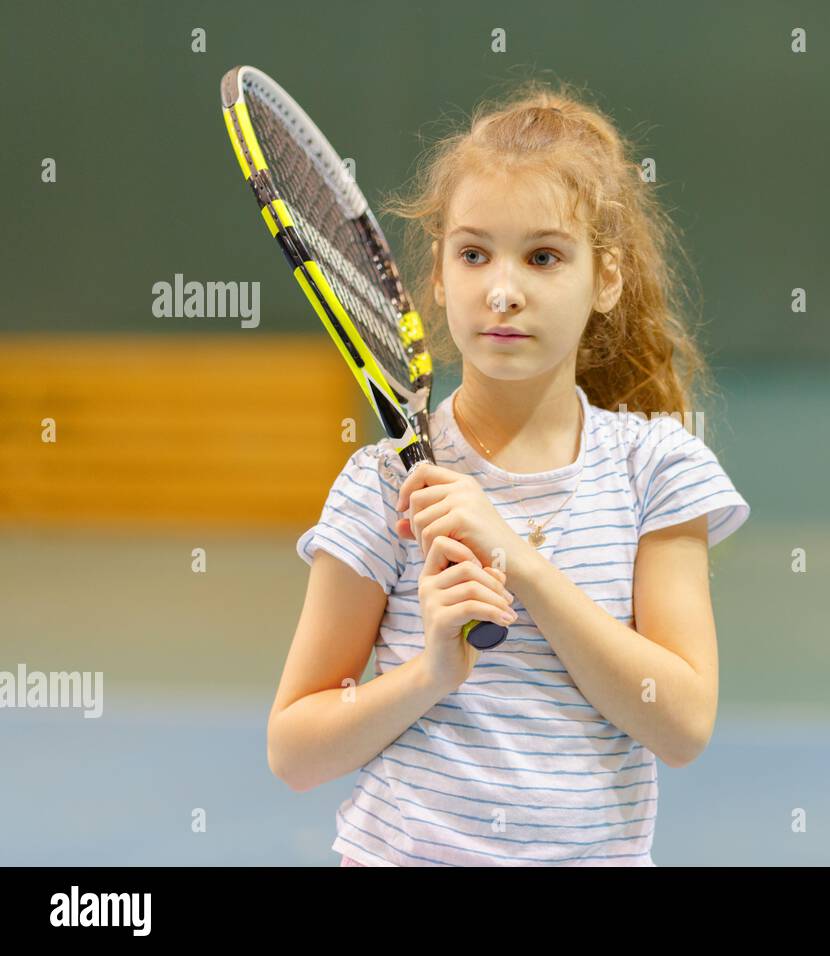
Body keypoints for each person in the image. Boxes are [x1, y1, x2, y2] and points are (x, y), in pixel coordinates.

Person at [268, 79, 750, 866]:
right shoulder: (382, 485)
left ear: (608, 278)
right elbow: (295, 751)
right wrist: (430, 673)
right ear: (436, 276)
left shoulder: (656, 470)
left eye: (544, 256)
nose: (502, 288)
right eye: (473, 252)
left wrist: (519, 562)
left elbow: (683, 723)